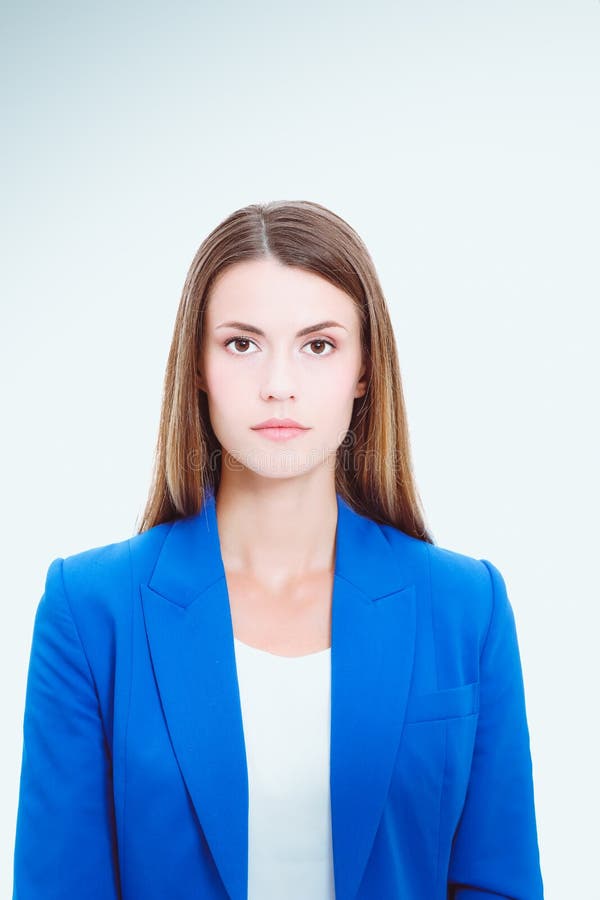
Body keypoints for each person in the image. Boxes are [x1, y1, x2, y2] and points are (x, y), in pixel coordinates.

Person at [12, 200, 544, 899]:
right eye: (242, 343)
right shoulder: (89, 612)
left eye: (318, 345)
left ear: (364, 369)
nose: (279, 384)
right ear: (197, 365)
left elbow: (498, 881)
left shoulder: (467, 606)